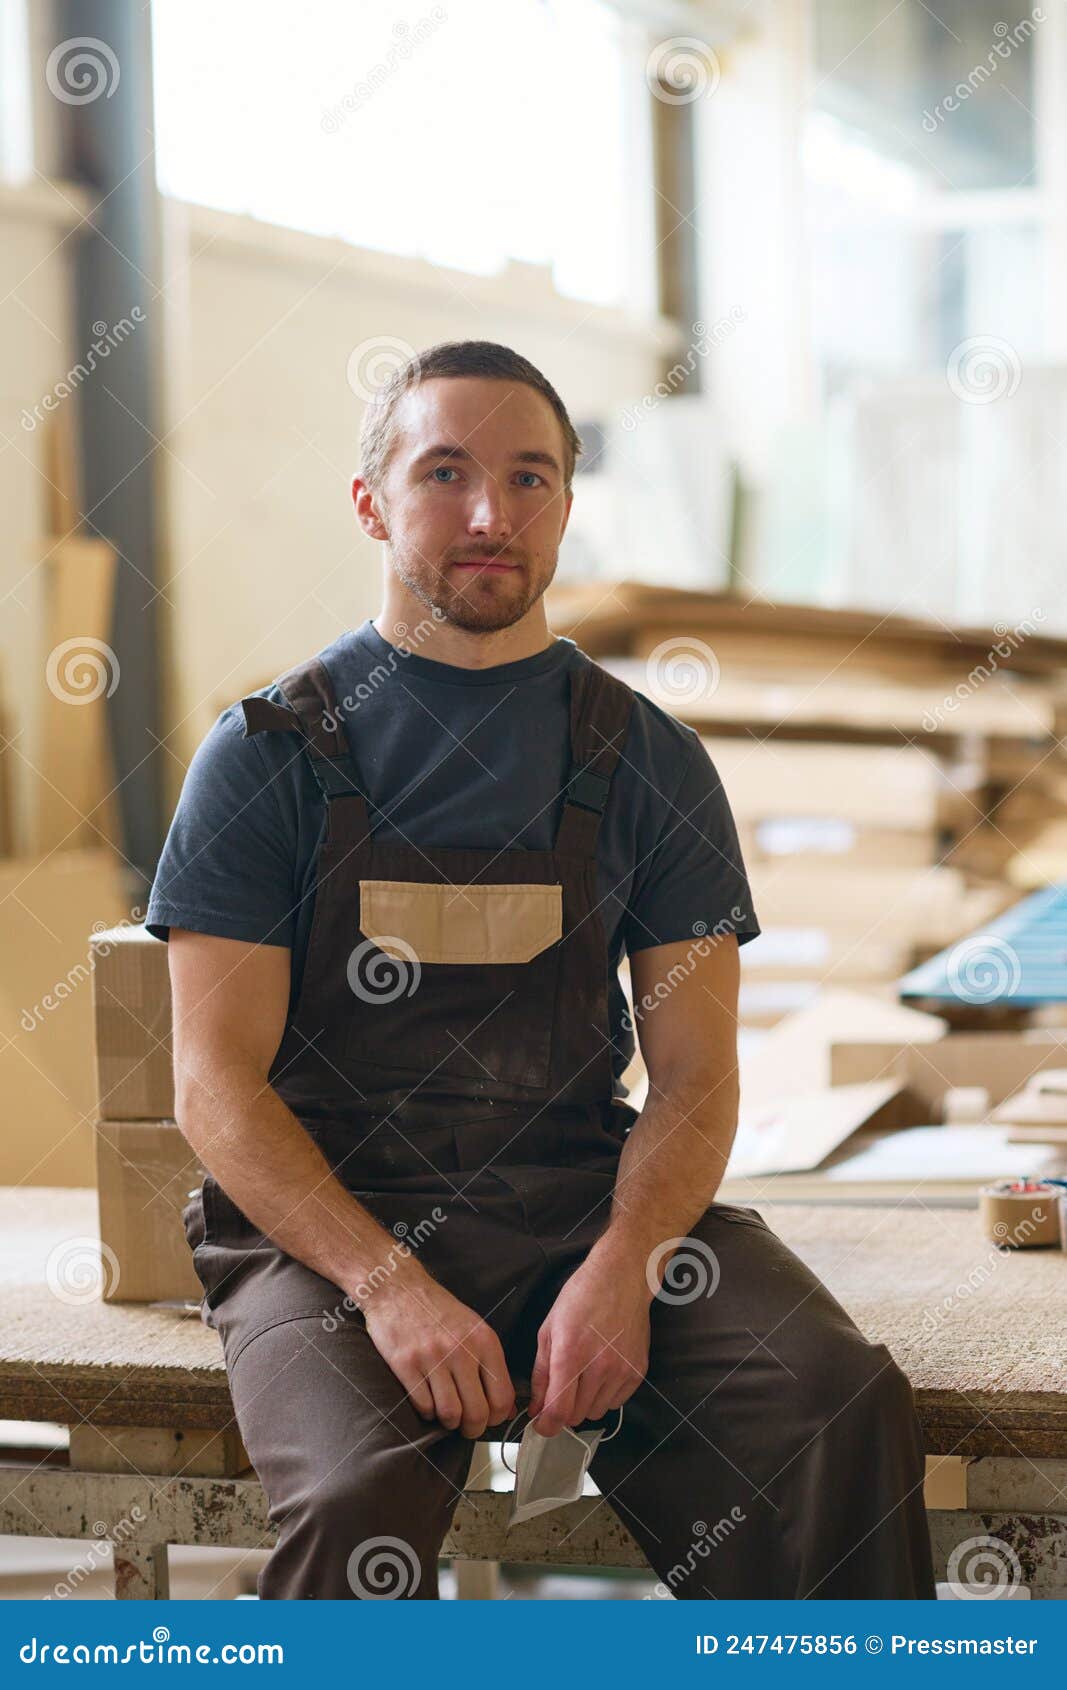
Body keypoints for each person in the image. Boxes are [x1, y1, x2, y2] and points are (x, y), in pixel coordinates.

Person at [146, 339, 935, 1601]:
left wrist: (624, 1264)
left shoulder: (647, 761)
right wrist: (390, 1286)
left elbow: (690, 1076)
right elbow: (214, 1086)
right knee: (361, 1504)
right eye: (443, 472)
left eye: (528, 479)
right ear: (371, 502)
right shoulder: (269, 755)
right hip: (324, 1231)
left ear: (566, 503)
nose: (487, 515)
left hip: (575, 1199)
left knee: (828, 1405)